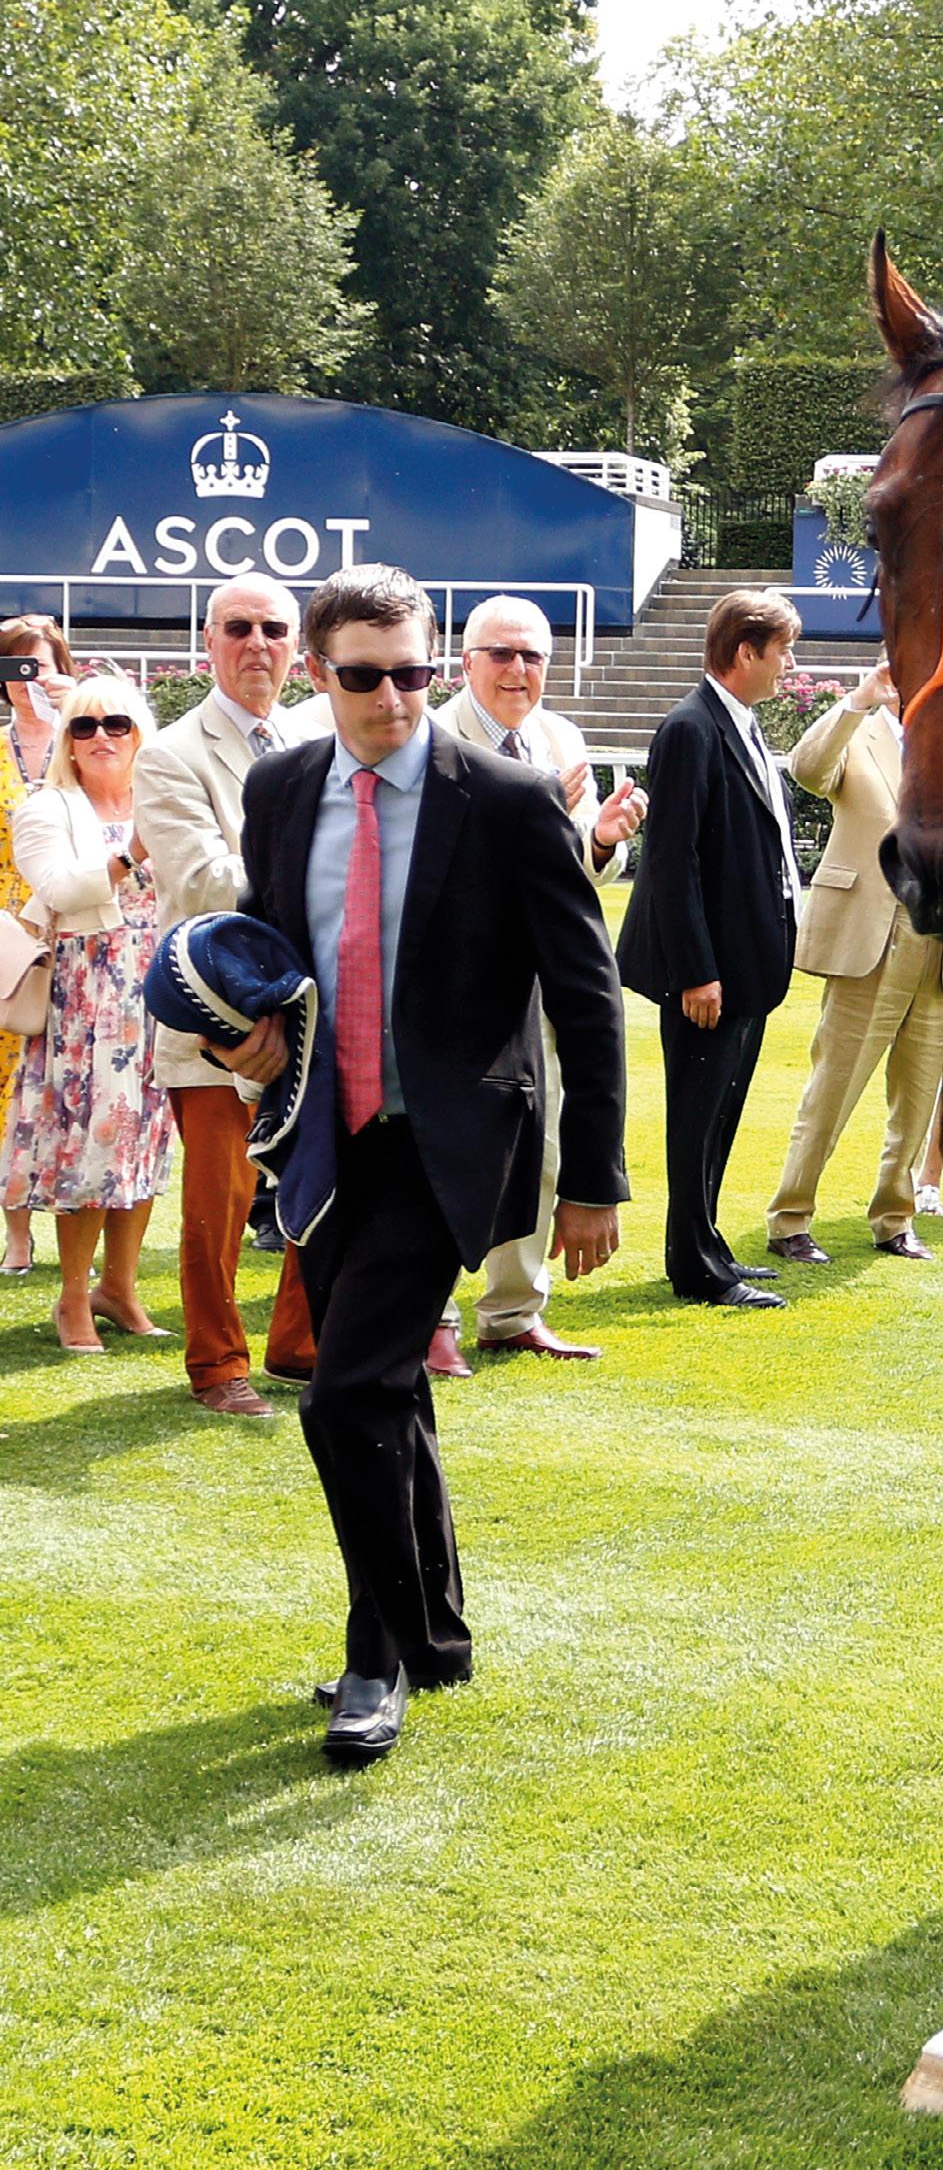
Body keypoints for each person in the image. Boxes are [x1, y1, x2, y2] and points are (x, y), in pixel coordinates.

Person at [209, 564, 628, 1764]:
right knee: (386, 1389)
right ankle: (436, 1631)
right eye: (364, 675)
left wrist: (591, 1179)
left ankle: (377, 1650)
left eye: (411, 671)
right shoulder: (281, 787)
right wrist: (243, 1031)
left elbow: (587, 994)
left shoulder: (506, 800)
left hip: (449, 1145)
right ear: (318, 673)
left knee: (343, 1395)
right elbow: (266, 942)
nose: (392, 696)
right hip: (324, 1137)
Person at [433, 593, 646, 1359]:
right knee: (447, 1147)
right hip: (458, 984)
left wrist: (601, 840)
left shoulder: (561, 736)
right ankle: (428, 1317)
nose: (517, 669)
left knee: (543, 1141)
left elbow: (572, 874)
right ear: (466, 662)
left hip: (546, 981)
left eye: (532, 656)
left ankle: (514, 1310)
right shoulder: (432, 738)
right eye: (502, 653)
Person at [133, 576, 318, 1415]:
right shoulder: (170, 753)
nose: (256, 643)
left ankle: (300, 1345)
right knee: (220, 1203)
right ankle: (216, 1364)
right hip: (218, 1019)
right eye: (237, 627)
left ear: (296, 645)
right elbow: (205, 882)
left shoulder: (317, 734)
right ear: (207, 642)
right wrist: (328, 873)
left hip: (308, 1011)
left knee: (315, 1185)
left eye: (273, 628)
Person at [615, 589, 801, 1310]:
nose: (789, 664)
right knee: (696, 1119)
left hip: (745, 966)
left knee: (719, 1114)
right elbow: (671, 860)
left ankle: (708, 1247)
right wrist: (697, 971)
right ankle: (695, 1268)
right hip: (710, 973)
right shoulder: (690, 729)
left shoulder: (739, 724)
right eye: (782, 650)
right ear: (745, 652)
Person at [5, 678, 175, 1351]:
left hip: (157, 988)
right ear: (68, 743)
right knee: (88, 1147)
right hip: (86, 998)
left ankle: (120, 1288)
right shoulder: (46, 808)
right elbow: (59, 888)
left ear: (140, 735)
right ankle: (73, 1295)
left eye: (117, 723)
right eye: (84, 726)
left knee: (146, 1140)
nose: (101, 736)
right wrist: (134, 851)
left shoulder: (161, 801)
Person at [765, 663, 943, 1265]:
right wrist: (858, 700)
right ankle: (790, 1218)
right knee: (833, 1088)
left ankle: (895, 1218)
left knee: (918, 1098)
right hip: (869, 938)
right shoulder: (861, 733)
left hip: (941, 943)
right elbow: (808, 769)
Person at [0, 614, 76, 1275]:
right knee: (8, 1088)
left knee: (67, 1082)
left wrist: (69, 715)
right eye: (15, 667)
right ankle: (17, 1232)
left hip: (72, 924)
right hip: (5, 932)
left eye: (40, 666)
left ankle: (76, 1230)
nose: (28, 681)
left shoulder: (88, 739)